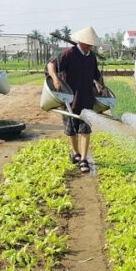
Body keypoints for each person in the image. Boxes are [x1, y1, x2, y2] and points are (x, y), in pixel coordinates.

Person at [47, 26, 103, 173]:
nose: (89, 46)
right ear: (81, 41)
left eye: (91, 44)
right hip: (69, 98)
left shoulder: (91, 57)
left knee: (85, 129)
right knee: (71, 130)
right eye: (87, 43)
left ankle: (83, 159)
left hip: (87, 98)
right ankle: (75, 152)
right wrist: (55, 79)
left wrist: (100, 86)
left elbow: (97, 74)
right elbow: (51, 65)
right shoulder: (69, 53)